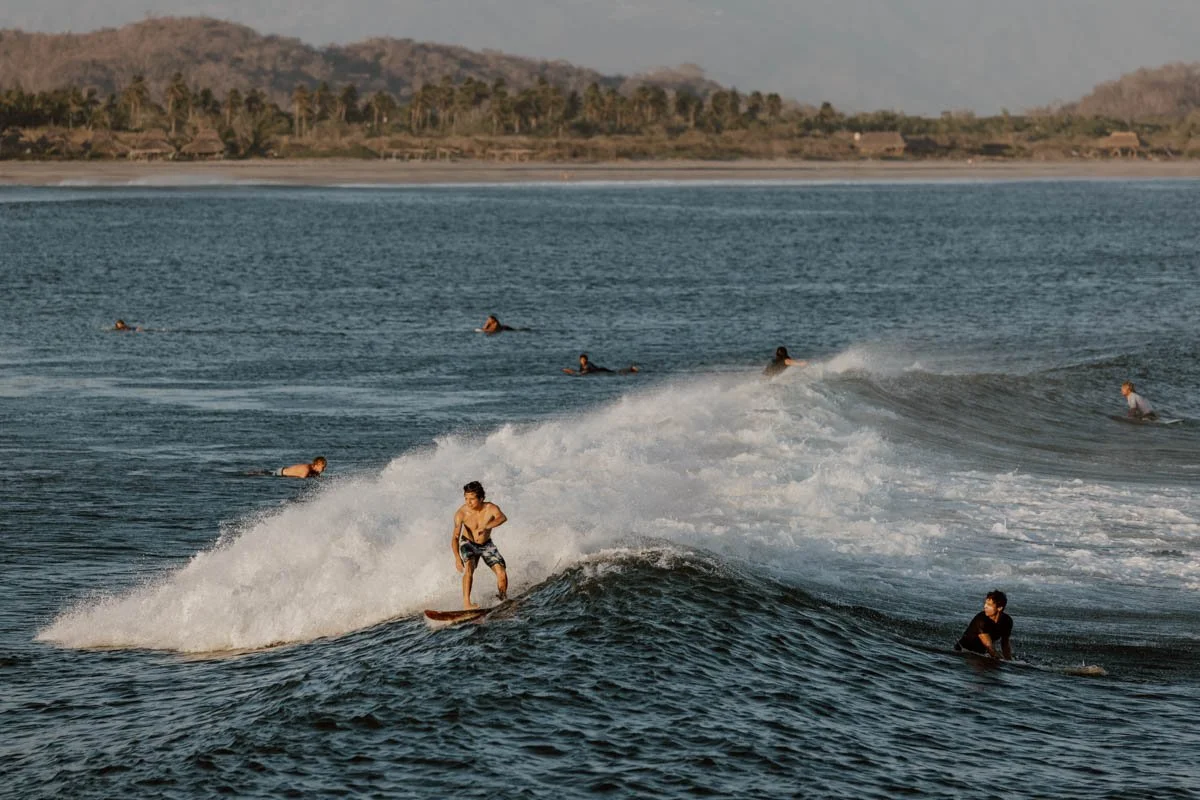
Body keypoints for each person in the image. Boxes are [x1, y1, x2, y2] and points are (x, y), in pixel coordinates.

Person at [453, 481, 508, 609]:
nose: (468, 502)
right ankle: (467, 604)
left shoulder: (490, 508)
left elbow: (502, 518)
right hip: (468, 543)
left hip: (486, 544)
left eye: (472, 499)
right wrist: (457, 557)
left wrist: (487, 526)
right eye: (466, 498)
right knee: (469, 568)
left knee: (501, 572)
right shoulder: (461, 513)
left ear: (481, 498)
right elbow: (455, 537)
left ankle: (502, 599)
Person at [954, 590, 1013, 660]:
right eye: (985, 603)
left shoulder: (1007, 621)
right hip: (963, 652)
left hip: (982, 653)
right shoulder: (981, 620)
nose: (985, 606)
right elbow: (989, 647)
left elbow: (1005, 644)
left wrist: (1010, 661)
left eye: (989, 605)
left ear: (999, 608)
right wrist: (1002, 661)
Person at [562, 353, 639, 376]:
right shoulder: (582, 365)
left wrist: (571, 371)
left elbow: (583, 372)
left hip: (602, 370)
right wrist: (571, 371)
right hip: (599, 370)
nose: (583, 361)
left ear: (586, 360)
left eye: (584, 360)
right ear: (579, 360)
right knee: (616, 372)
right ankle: (631, 369)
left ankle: (631, 369)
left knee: (616, 372)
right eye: (581, 360)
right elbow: (581, 372)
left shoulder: (587, 365)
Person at [248, 456, 327, 478]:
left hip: (281, 471)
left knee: (265, 472)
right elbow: (303, 477)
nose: (324, 469)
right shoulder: (306, 470)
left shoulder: (313, 471)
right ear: (316, 465)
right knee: (260, 474)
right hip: (280, 473)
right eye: (323, 467)